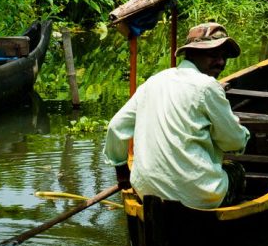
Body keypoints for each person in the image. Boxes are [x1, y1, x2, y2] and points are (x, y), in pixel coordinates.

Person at [104, 21, 250, 210]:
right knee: (236, 171)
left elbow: (116, 126)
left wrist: (122, 170)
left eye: (224, 57)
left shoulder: (154, 81)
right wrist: (243, 132)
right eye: (213, 55)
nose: (221, 62)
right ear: (192, 53)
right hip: (197, 196)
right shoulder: (208, 87)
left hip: (146, 190)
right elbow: (233, 142)